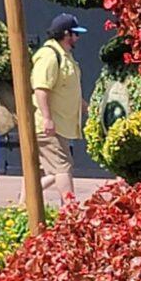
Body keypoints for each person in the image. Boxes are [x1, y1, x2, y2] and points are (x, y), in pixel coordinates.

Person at [30, 12, 88, 203]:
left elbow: (71, 92)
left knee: (47, 170)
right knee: (63, 166)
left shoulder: (66, 57)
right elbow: (41, 89)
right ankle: (70, 208)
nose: (78, 38)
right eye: (75, 33)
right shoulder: (49, 56)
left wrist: (90, 109)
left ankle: (23, 203)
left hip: (62, 125)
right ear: (66, 34)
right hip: (50, 125)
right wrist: (47, 119)